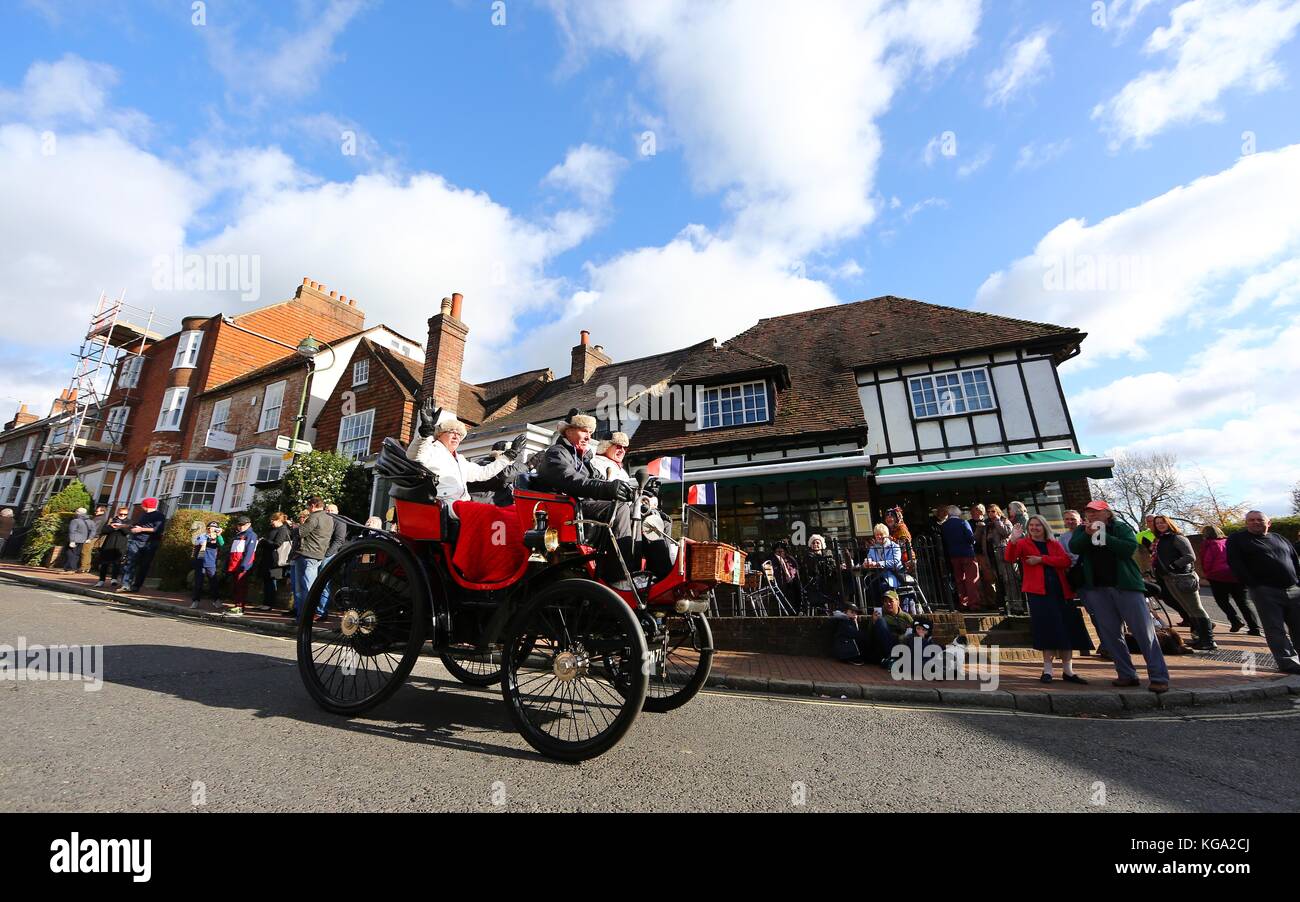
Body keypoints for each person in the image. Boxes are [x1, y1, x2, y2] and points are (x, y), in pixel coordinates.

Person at [534, 409, 665, 588]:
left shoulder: (583, 460)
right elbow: (572, 481)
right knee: (619, 509)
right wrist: (609, 489)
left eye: (590, 432)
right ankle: (619, 577)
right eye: (583, 431)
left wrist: (638, 495)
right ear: (567, 430)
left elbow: (600, 481)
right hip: (565, 514)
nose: (588, 436)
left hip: (579, 510)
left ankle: (661, 574)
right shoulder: (556, 454)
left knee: (649, 516)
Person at [1069, 500, 1169, 693]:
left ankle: (1158, 676)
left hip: (1125, 586)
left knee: (1143, 632)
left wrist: (1104, 535)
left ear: (1107, 513)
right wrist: (1088, 535)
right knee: (1111, 635)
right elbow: (1075, 547)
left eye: (1096, 512)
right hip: (1097, 589)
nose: (1092, 516)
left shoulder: (1120, 527)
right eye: (1089, 512)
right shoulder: (1083, 530)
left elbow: (1127, 549)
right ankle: (1126, 674)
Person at [1006, 514, 1093, 683]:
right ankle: (1048, 671)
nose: (1034, 528)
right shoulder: (1024, 543)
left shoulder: (1053, 544)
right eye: (1031, 525)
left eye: (1038, 525)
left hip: (1060, 591)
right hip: (1038, 593)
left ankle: (1068, 671)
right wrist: (1013, 539)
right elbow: (1009, 557)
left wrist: (1041, 559)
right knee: (1047, 629)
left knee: (1065, 629)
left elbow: (1065, 561)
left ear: (1044, 527)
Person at [407, 399, 525, 505]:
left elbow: (483, 473)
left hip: (461, 504)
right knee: (491, 515)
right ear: (439, 435)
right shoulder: (431, 450)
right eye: (451, 431)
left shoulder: (460, 460)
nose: (456, 436)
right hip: (444, 503)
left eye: (459, 434)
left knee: (506, 514)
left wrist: (509, 455)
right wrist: (424, 435)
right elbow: (414, 456)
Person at [1226, 510, 1300, 675]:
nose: (1255, 522)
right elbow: (1235, 563)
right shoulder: (1237, 539)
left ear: (1269, 523)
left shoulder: (1279, 538)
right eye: (1251, 520)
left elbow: (1294, 559)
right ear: (1246, 523)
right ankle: (1288, 663)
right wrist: (1253, 584)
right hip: (1265, 590)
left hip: (1293, 589)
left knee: (1298, 626)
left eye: (1259, 519)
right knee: (1275, 628)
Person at [1150, 515, 1216, 650]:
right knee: (1189, 609)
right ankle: (1201, 639)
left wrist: (1174, 565)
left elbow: (1190, 556)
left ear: (1169, 523)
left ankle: (1209, 640)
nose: (1160, 525)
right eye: (1157, 523)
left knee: (1196, 609)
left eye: (1163, 522)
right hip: (1170, 579)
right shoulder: (1160, 540)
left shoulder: (1177, 537)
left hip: (1183, 578)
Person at [1200, 525, 1261, 635]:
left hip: (1218, 576)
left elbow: (1207, 560)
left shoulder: (1209, 544)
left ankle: (1235, 619)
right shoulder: (1230, 542)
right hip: (1236, 574)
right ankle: (1254, 628)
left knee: (1222, 600)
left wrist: (1206, 573)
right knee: (1243, 602)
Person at [291, 497, 333, 622]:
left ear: (314, 505)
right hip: (319, 554)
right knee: (311, 587)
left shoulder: (314, 517)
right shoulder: (329, 518)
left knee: (303, 589)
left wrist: (295, 527)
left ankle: (304, 619)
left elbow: (301, 533)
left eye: (309, 506)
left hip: (306, 554)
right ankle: (305, 617)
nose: (308, 509)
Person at [119, 497, 166, 592]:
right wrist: (127, 526)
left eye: (142, 504)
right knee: (130, 562)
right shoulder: (143, 515)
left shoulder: (159, 516)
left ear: (146, 505)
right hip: (136, 540)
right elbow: (139, 524)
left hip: (150, 542)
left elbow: (157, 530)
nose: (141, 506)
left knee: (144, 565)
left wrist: (141, 529)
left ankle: (136, 586)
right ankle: (126, 585)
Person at [940, 505, 980, 611]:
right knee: (971, 579)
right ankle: (974, 604)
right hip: (967, 554)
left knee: (959, 580)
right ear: (958, 513)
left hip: (953, 555)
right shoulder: (963, 522)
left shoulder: (944, 526)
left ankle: (963, 603)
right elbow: (971, 538)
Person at [467, 440, 530, 506]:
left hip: (495, 508)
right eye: (511, 456)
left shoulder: (509, 473)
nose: (512, 460)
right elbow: (505, 475)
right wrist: (529, 465)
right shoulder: (484, 465)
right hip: (481, 508)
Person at [862, 523, 904, 608]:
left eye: (881, 534)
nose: (879, 537)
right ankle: (876, 612)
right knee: (868, 587)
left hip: (892, 574)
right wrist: (867, 562)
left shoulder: (894, 546)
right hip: (877, 575)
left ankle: (888, 611)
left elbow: (895, 561)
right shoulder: (873, 548)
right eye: (877, 535)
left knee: (882, 587)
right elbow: (869, 558)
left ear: (887, 535)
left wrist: (878, 564)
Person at [223, 516, 258, 616]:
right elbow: (232, 552)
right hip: (234, 565)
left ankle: (240, 607)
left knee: (241, 586)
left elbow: (250, 552)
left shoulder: (251, 535)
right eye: (239, 525)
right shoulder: (238, 535)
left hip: (242, 565)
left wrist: (244, 565)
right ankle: (237, 605)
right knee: (236, 586)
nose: (241, 527)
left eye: (243, 525)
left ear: (249, 524)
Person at [260, 512, 293, 609]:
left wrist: (264, 541)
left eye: (273, 520)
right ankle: (266, 602)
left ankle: (269, 604)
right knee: (267, 580)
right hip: (268, 558)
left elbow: (277, 544)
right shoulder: (273, 529)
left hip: (276, 560)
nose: (271, 522)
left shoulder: (283, 530)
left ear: (279, 520)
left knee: (272, 580)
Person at [190, 521, 225, 610]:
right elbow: (200, 542)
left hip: (211, 563)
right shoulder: (202, 536)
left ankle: (216, 600)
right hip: (200, 563)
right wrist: (208, 536)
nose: (211, 530)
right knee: (198, 582)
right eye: (210, 528)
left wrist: (219, 534)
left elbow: (222, 544)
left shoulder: (217, 537)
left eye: (214, 528)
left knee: (213, 582)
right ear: (207, 529)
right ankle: (195, 601)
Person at [94, 506, 131, 587]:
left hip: (120, 545)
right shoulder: (111, 520)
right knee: (104, 563)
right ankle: (101, 580)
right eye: (121, 514)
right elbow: (103, 530)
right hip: (109, 543)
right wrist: (112, 527)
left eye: (125, 514)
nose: (123, 516)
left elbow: (127, 532)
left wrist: (121, 527)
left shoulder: (128, 522)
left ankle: (114, 579)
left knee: (117, 563)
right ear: (118, 513)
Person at [64, 507, 95, 572]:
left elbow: (72, 531)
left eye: (76, 511)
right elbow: (93, 531)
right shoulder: (91, 521)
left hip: (74, 540)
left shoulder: (75, 521)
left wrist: (72, 541)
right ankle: (74, 567)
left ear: (78, 513)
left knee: (70, 554)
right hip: (83, 540)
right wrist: (89, 538)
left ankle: (70, 568)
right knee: (77, 554)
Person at [79, 505, 108, 572]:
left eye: (97, 511)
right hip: (94, 536)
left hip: (91, 537)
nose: (95, 512)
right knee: (88, 551)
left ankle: (83, 567)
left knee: (85, 551)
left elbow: (93, 528)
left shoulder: (99, 519)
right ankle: (87, 567)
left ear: (102, 511)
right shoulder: (101, 518)